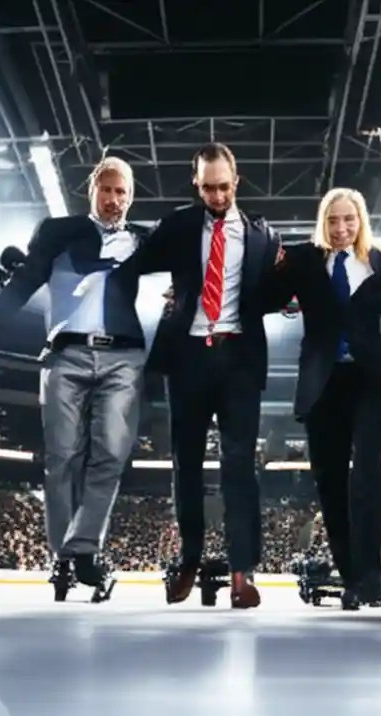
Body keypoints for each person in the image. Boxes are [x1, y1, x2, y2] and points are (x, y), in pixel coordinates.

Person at [0, 156, 146, 601]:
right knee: (62, 459)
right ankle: (65, 560)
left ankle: (78, 554)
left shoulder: (142, 241)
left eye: (122, 192)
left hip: (123, 355)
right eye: (107, 190)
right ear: (93, 191)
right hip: (65, 354)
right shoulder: (59, 232)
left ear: (131, 196)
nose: (114, 200)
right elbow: (27, 278)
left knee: (110, 457)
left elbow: (189, 266)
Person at [129, 142, 284, 609]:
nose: (216, 196)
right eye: (207, 188)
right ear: (196, 184)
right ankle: (189, 560)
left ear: (236, 182)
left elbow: (282, 285)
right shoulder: (179, 225)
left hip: (239, 358)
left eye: (223, 186)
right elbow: (133, 256)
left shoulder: (263, 235)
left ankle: (242, 574)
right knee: (186, 465)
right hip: (188, 357)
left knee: (239, 466)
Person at [265, 188, 381, 610]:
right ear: (322, 223)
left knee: (366, 479)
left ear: (361, 221)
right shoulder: (306, 260)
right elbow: (264, 297)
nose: (341, 229)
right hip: (322, 385)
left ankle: (372, 576)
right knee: (329, 483)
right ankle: (351, 576)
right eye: (333, 220)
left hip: (368, 382)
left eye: (350, 219)